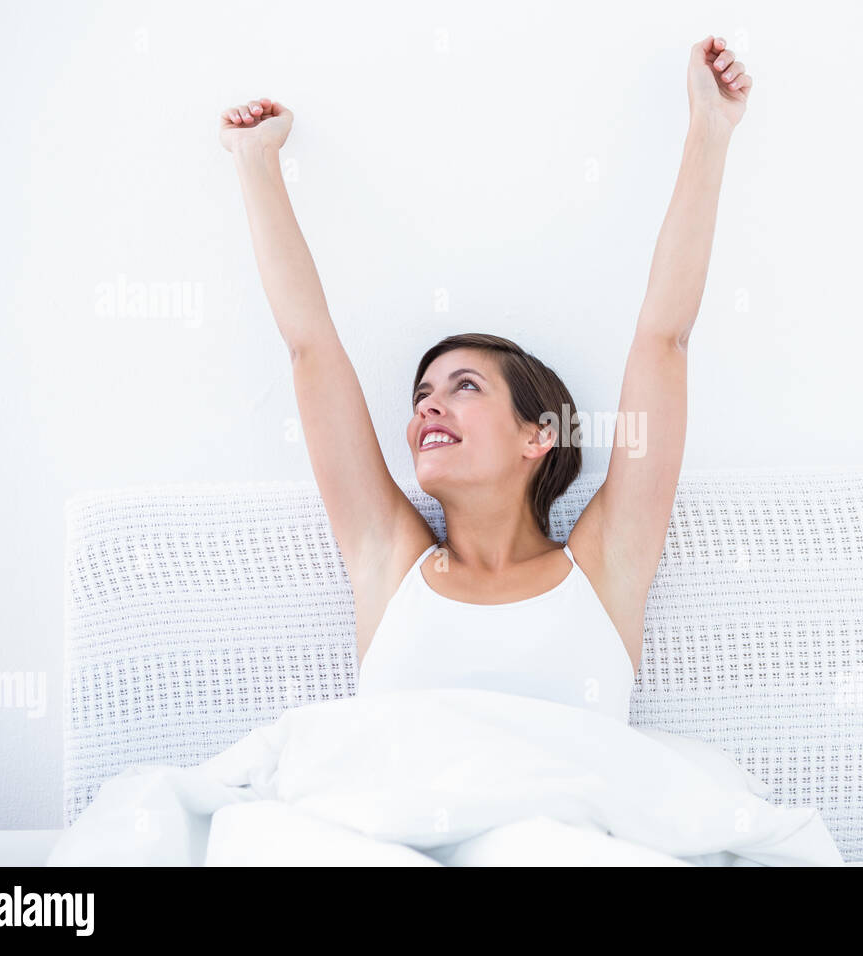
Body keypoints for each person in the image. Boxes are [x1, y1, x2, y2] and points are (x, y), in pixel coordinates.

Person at [217, 35, 753, 724]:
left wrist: (710, 125)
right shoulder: (388, 559)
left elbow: (664, 340)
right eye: (422, 396)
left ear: (540, 436)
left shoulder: (607, 566)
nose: (427, 409)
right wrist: (255, 159)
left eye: (464, 387)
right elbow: (310, 349)